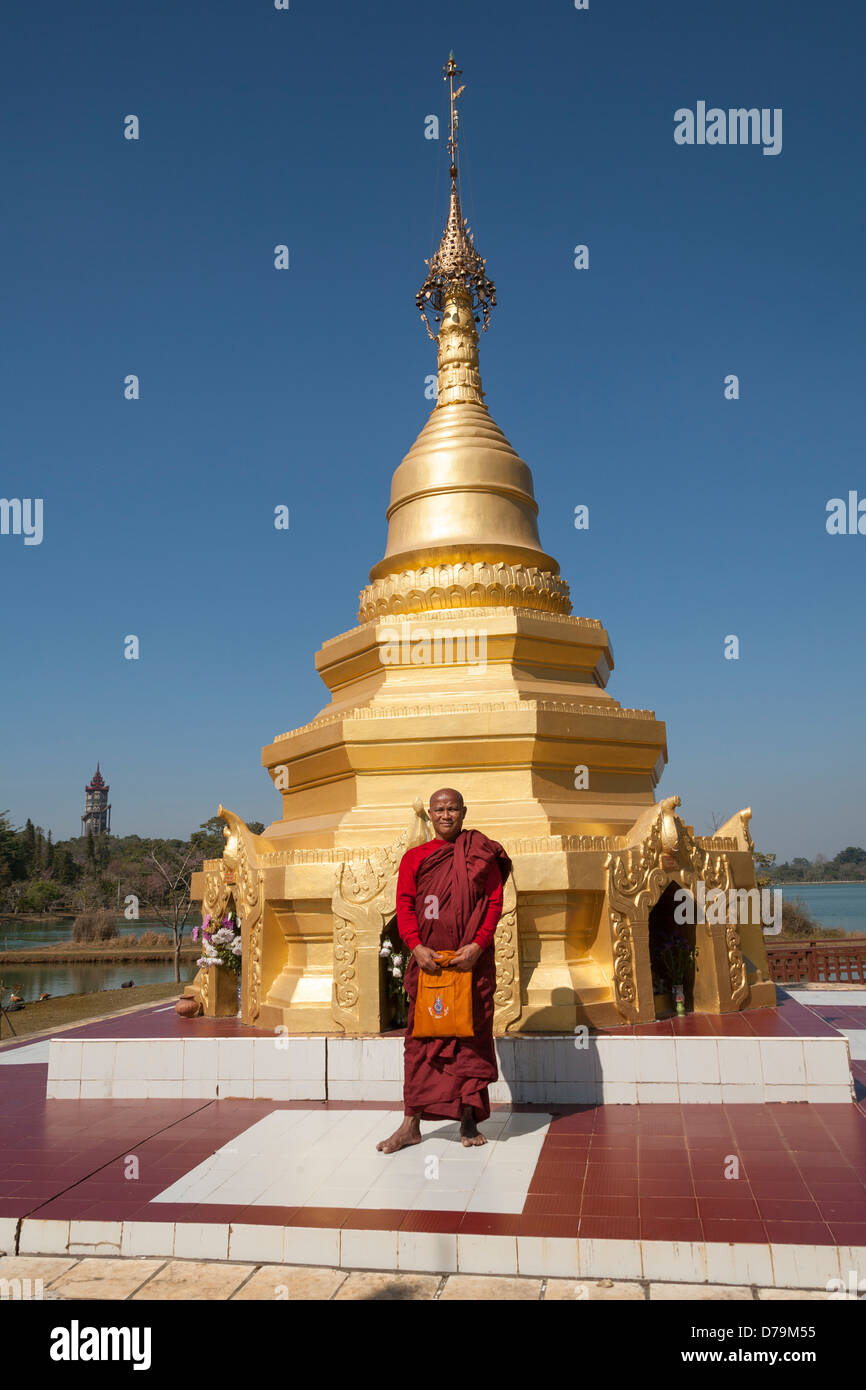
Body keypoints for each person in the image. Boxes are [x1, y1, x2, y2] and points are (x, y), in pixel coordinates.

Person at [376, 787, 511, 1153]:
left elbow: (494, 903)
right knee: (420, 1042)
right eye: (439, 810)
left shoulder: (480, 853)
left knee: (471, 1037)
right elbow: (404, 905)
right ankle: (411, 1123)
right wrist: (415, 946)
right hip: (430, 964)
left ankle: (468, 1118)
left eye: (453, 809)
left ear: (464, 812)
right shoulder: (415, 858)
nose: (446, 816)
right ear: (431, 816)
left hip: (470, 964)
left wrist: (477, 945)